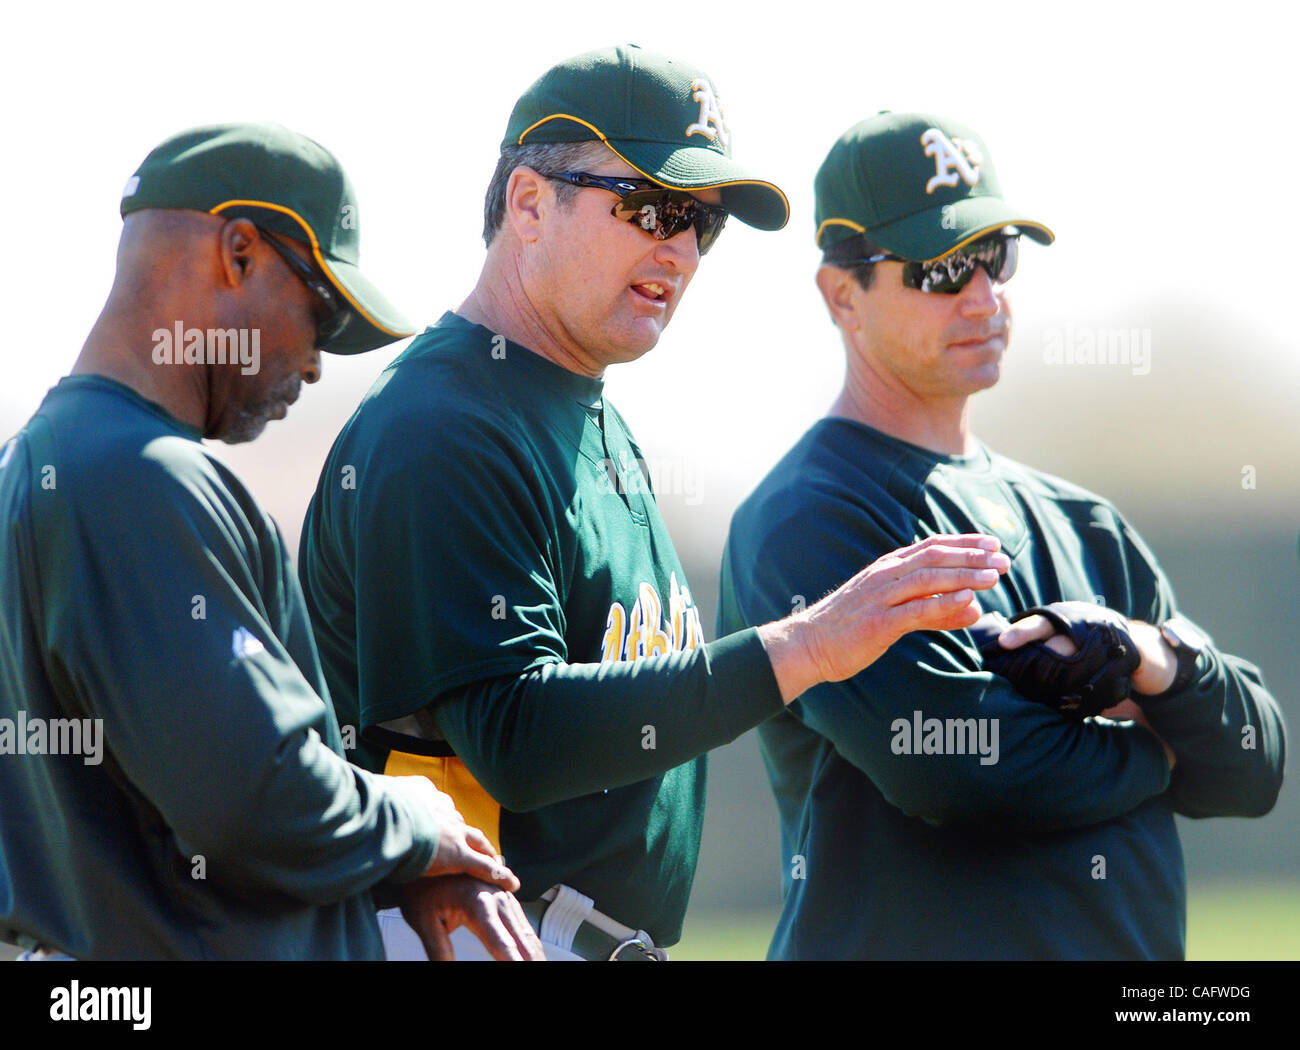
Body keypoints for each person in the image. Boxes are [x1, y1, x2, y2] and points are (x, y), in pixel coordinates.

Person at [298, 48, 1010, 961]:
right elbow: (514, 736)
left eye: (701, 224)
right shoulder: (444, 422)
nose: (678, 249)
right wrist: (809, 645)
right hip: (466, 937)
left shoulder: (580, 406)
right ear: (527, 204)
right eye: (651, 208)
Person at [717, 111, 1287, 960]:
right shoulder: (813, 515)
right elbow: (958, 769)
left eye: (996, 258)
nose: (983, 297)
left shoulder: (1083, 519)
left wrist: (1150, 658)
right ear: (842, 293)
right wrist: (1168, 743)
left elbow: (1251, 768)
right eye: (943, 268)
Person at [0, 123, 543, 962]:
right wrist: (416, 819)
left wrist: (397, 856)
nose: (320, 364)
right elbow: (252, 799)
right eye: (320, 314)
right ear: (239, 254)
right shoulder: (140, 477)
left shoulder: (39, 462)